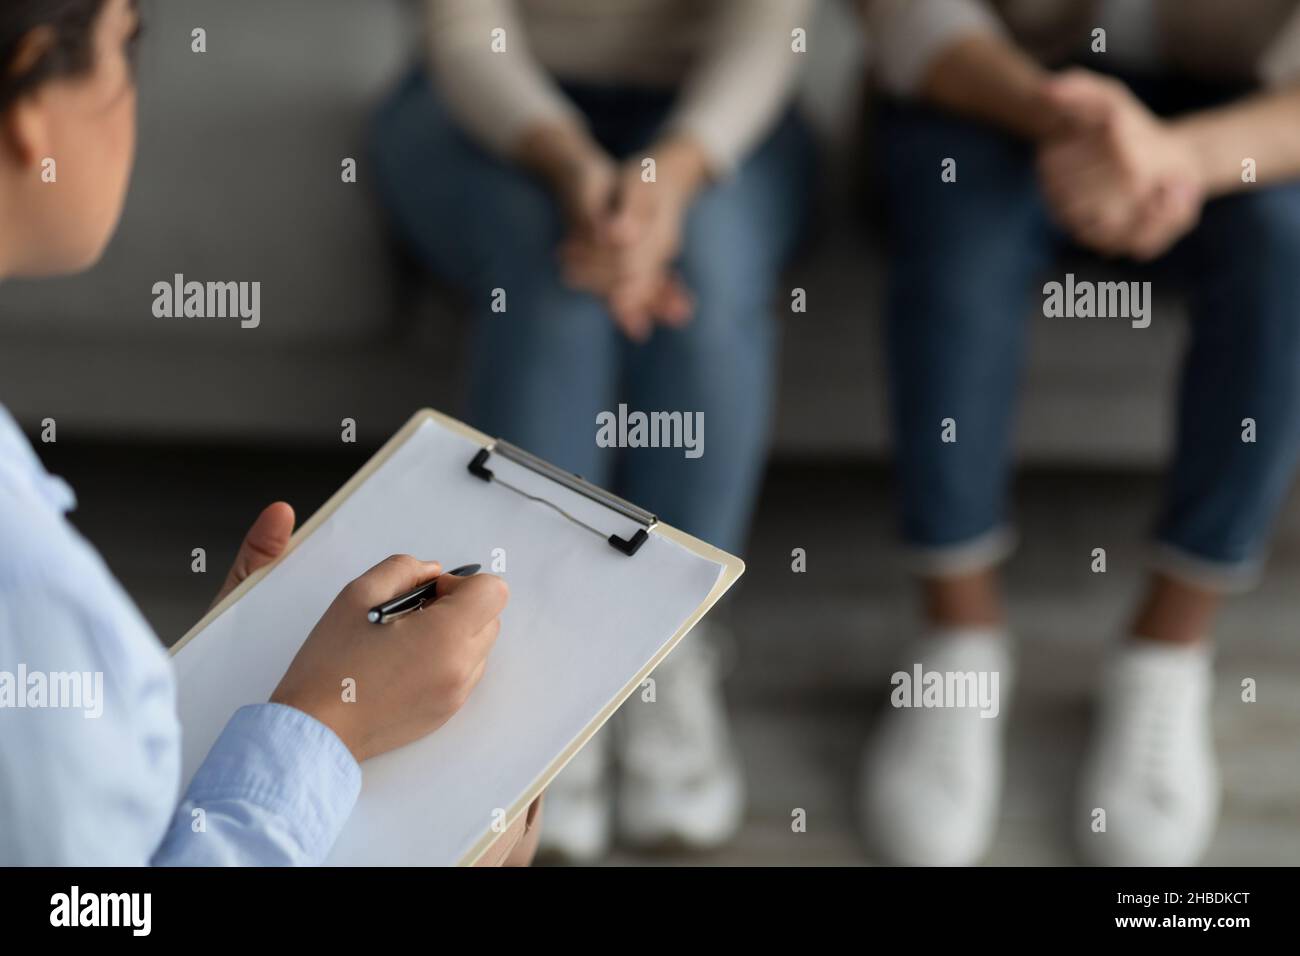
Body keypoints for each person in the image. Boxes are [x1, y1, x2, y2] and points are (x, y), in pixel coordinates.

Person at [0, 0, 530, 866]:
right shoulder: (24, 593)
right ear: (29, 105)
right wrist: (326, 724)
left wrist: (187, 688)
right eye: (128, 44)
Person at [371, 0, 817, 860]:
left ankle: (668, 642)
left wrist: (671, 174)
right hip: (486, 98)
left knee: (707, 279)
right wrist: (575, 167)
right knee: (556, 279)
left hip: (716, 106)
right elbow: (464, 32)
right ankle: (542, 647)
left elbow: (768, 32)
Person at [858, 0, 1300, 866]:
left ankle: (1169, 648)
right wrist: (1072, 119)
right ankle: (959, 636)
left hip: (1244, 112)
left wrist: (1177, 156)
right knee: (960, 233)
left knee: (1290, 249)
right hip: (992, 88)